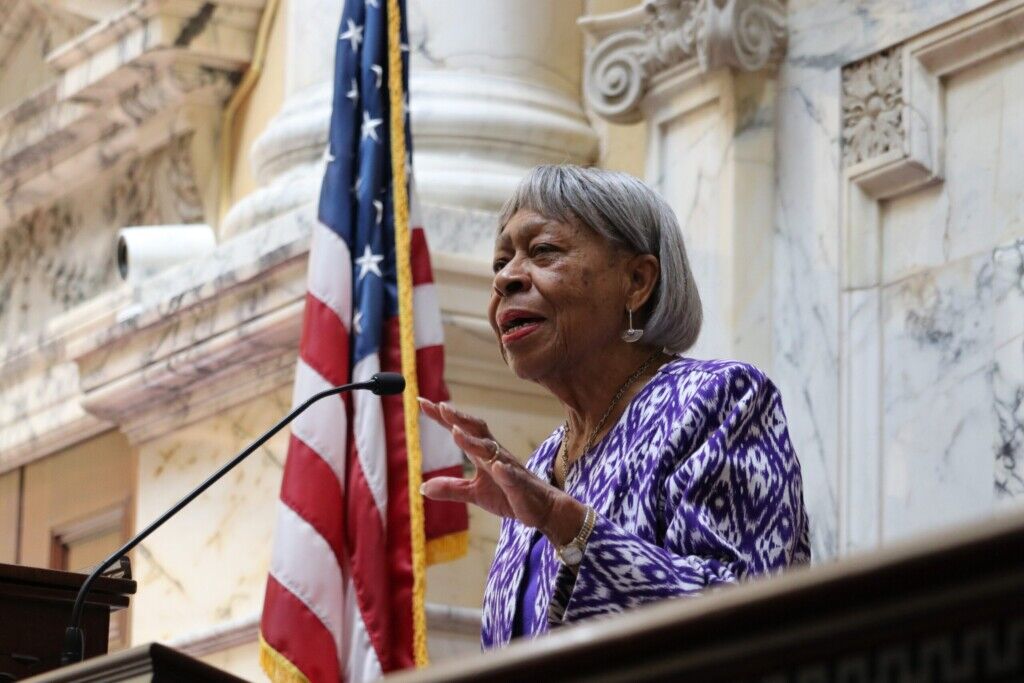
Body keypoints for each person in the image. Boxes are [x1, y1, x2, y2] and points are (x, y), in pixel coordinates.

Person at [419, 165, 810, 648]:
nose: (506, 280)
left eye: (542, 251)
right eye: (501, 262)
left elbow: (748, 614)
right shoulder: (542, 464)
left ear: (637, 281)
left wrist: (566, 523)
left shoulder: (716, 400)